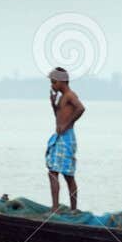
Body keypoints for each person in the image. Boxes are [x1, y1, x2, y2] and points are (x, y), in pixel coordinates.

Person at [45, 68, 85, 210]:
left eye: (54, 82)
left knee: (67, 175)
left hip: (66, 137)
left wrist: (67, 125)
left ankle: (71, 208)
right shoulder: (62, 97)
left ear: (62, 82)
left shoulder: (69, 95)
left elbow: (80, 108)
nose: (52, 85)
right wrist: (53, 104)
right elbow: (59, 116)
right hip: (60, 137)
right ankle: (55, 206)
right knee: (53, 172)